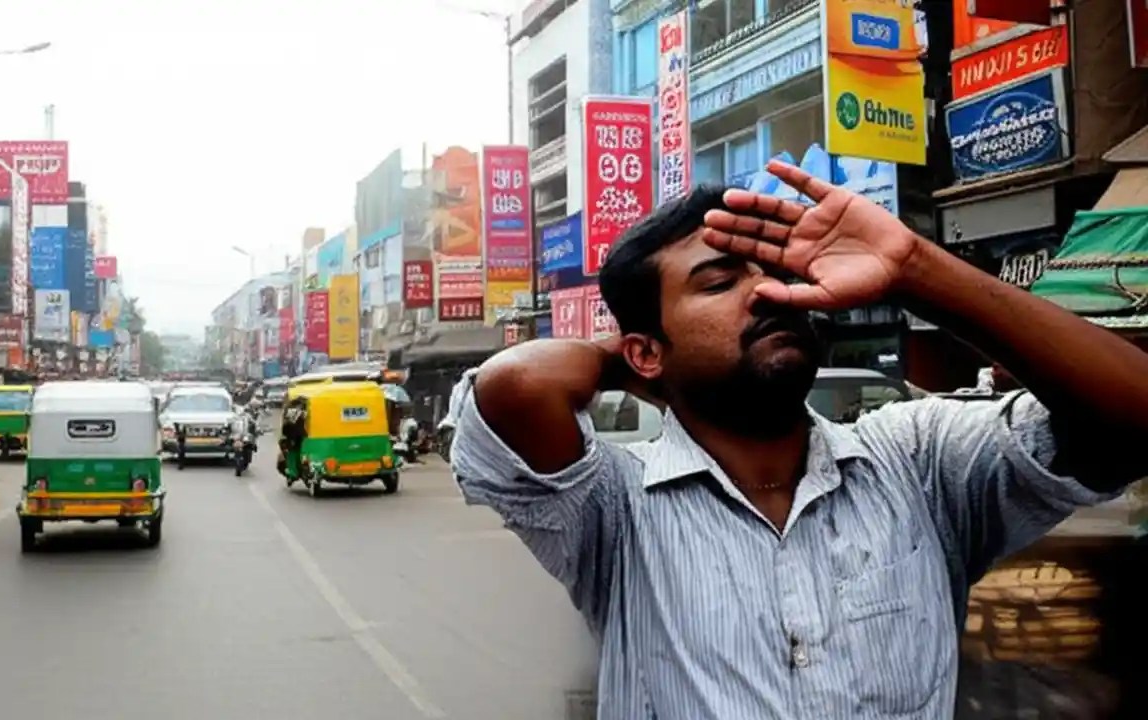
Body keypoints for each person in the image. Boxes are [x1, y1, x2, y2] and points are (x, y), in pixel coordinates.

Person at [447, 160, 1148, 719]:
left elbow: (1133, 418)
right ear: (645, 352)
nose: (768, 293)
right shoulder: (616, 508)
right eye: (720, 283)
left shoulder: (917, 460)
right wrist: (636, 362)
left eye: (781, 276)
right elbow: (518, 386)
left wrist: (913, 270)